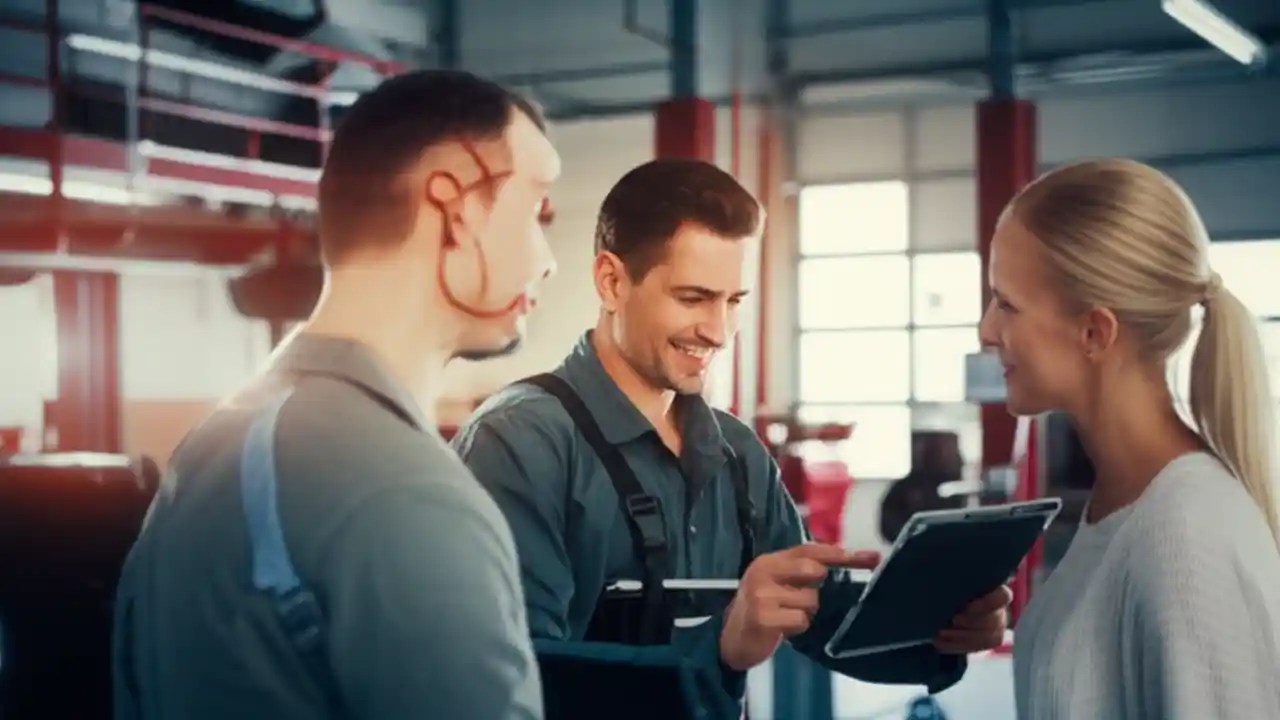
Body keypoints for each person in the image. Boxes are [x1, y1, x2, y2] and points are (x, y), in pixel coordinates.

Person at [451, 158, 1011, 708]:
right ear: (611, 281)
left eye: (733, 301)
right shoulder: (521, 443)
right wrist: (717, 646)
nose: (718, 331)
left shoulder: (736, 452)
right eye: (693, 298)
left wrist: (937, 629)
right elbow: (509, 672)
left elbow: (818, 615)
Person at [111, 69, 560, 720]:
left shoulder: (216, 442)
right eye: (537, 209)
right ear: (456, 211)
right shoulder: (406, 495)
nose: (547, 259)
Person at [981, 158, 1280, 719]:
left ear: (1094, 332)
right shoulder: (1125, 510)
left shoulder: (1185, 539)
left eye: (1007, 304)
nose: (986, 330)